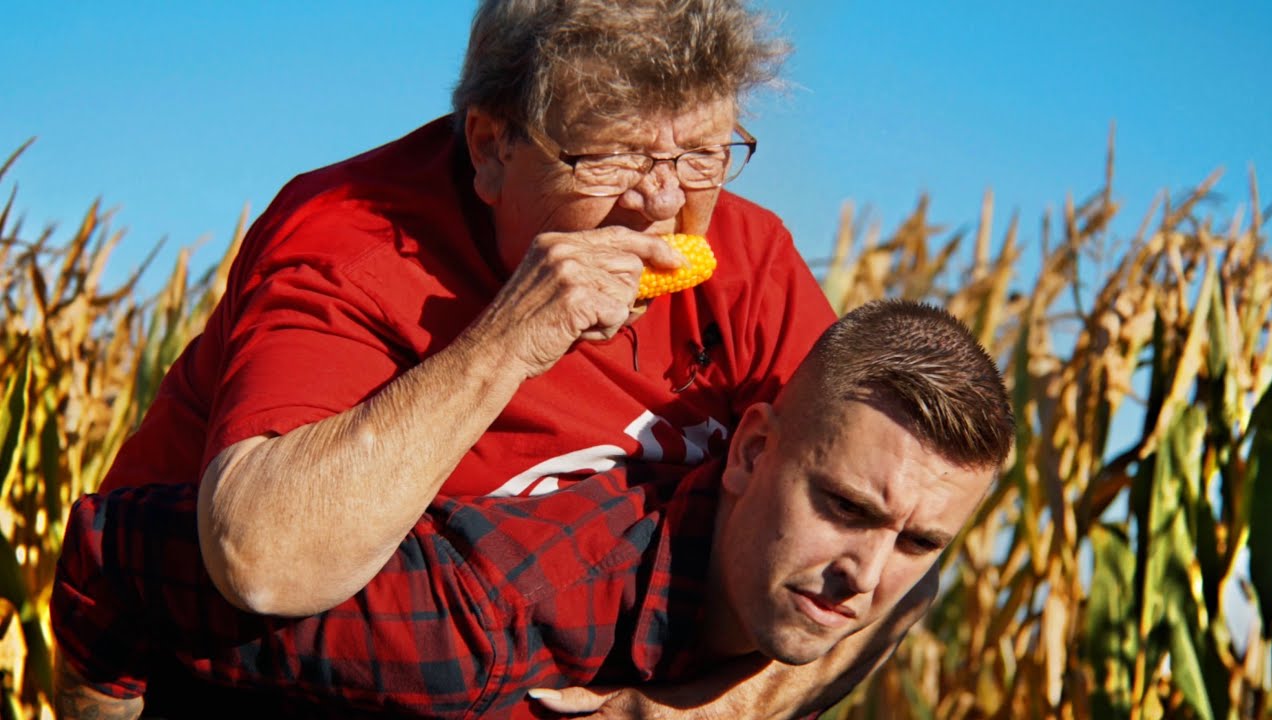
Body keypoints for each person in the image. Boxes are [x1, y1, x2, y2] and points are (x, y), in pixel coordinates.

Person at [87, 1, 846, 714]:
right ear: (489, 147)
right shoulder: (354, 241)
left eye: (703, 154)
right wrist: (510, 338)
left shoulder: (753, 262)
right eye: (611, 158)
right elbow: (260, 563)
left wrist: (692, 712)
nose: (660, 202)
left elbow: (901, 524)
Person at [53, 301, 1015, 719]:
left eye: (920, 540)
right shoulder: (484, 623)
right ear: (752, 451)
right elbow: (108, 552)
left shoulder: (805, 604)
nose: (866, 577)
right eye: (845, 506)